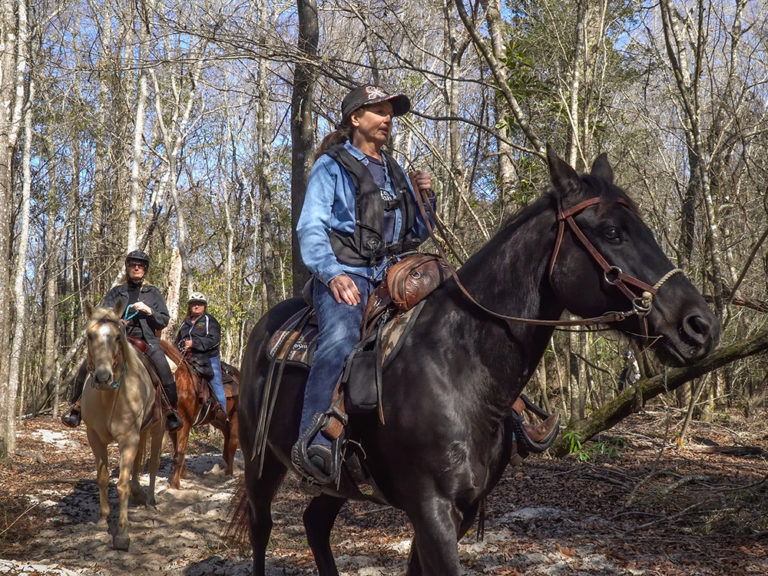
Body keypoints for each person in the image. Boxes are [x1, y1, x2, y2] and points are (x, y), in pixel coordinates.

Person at [291, 83, 436, 484]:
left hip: (394, 273)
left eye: (391, 112)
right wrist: (332, 274)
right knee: (339, 340)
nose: (388, 118)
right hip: (347, 273)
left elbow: (417, 231)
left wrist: (427, 198)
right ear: (356, 118)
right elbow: (311, 227)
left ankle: (511, 412)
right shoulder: (331, 165)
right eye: (379, 110)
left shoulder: (395, 170)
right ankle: (316, 442)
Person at [61, 250, 183, 432]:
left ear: (145, 269)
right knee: (85, 366)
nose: (136, 267)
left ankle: (171, 411)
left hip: (145, 340)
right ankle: (76, 407)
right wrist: (116, 321)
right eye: (133, 264)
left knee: (163, 368)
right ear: (127, 267)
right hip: (117, 340)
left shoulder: (153, 293)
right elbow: (101, 316)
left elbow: (163, 320)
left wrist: (149, 310)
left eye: (140, 265)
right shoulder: (116, 292)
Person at [174, 292, 228, 427]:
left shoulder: (209, 320)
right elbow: (178, 341)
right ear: (189, 306)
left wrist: (194, 343)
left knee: (215, 379)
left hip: (208, 356)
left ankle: (221, 411)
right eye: (193, 304)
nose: (196, 306)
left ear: (204, 306)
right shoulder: (184, 323)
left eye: (199, 304)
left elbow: (214, 340)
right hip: (186, 357)